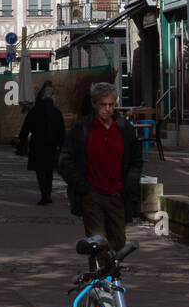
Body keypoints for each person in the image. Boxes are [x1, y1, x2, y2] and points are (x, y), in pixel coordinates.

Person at [58, 82, 142, 250]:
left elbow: (136, 160)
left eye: (111, 104)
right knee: (97, 244)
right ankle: (100, 276)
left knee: (118, 242)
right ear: (94, 103)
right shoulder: (82, 128)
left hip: (117, 195)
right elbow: (64, 160)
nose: (108, 109)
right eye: (103, 105)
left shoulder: (125, 129)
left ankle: (110, 275)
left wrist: (129, 185)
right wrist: (83, 188)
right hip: (92, 195)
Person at [18, 80, 65, 204]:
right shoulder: (56, 112)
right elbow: (62, 131)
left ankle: (44, 194)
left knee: (40, 170)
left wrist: (21, 142)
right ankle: (48, 193)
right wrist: (62, 146)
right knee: (49, 170)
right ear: (52, 97)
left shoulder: (35, 111)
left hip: (37, 144)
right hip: (52, 145)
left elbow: (26, 128)